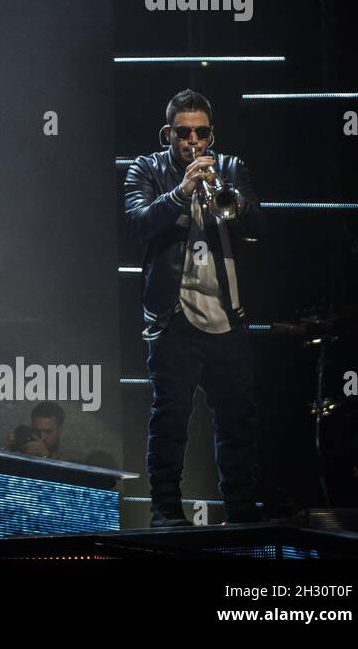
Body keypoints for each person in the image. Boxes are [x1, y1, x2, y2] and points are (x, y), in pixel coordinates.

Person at [124, 89, 264, 527]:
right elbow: (139, 223)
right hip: (174, 317)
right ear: (168, 133)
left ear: (211, 135)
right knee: (170, 421)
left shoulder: (230, 169)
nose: (193, 142)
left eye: (201, 133)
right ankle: (166, 511)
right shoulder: (146, 169)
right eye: (184, 133)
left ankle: (240, 512)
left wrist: (228, 200)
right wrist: (182, 192)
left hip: (227, 315)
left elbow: (258, 228)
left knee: (237, 423)